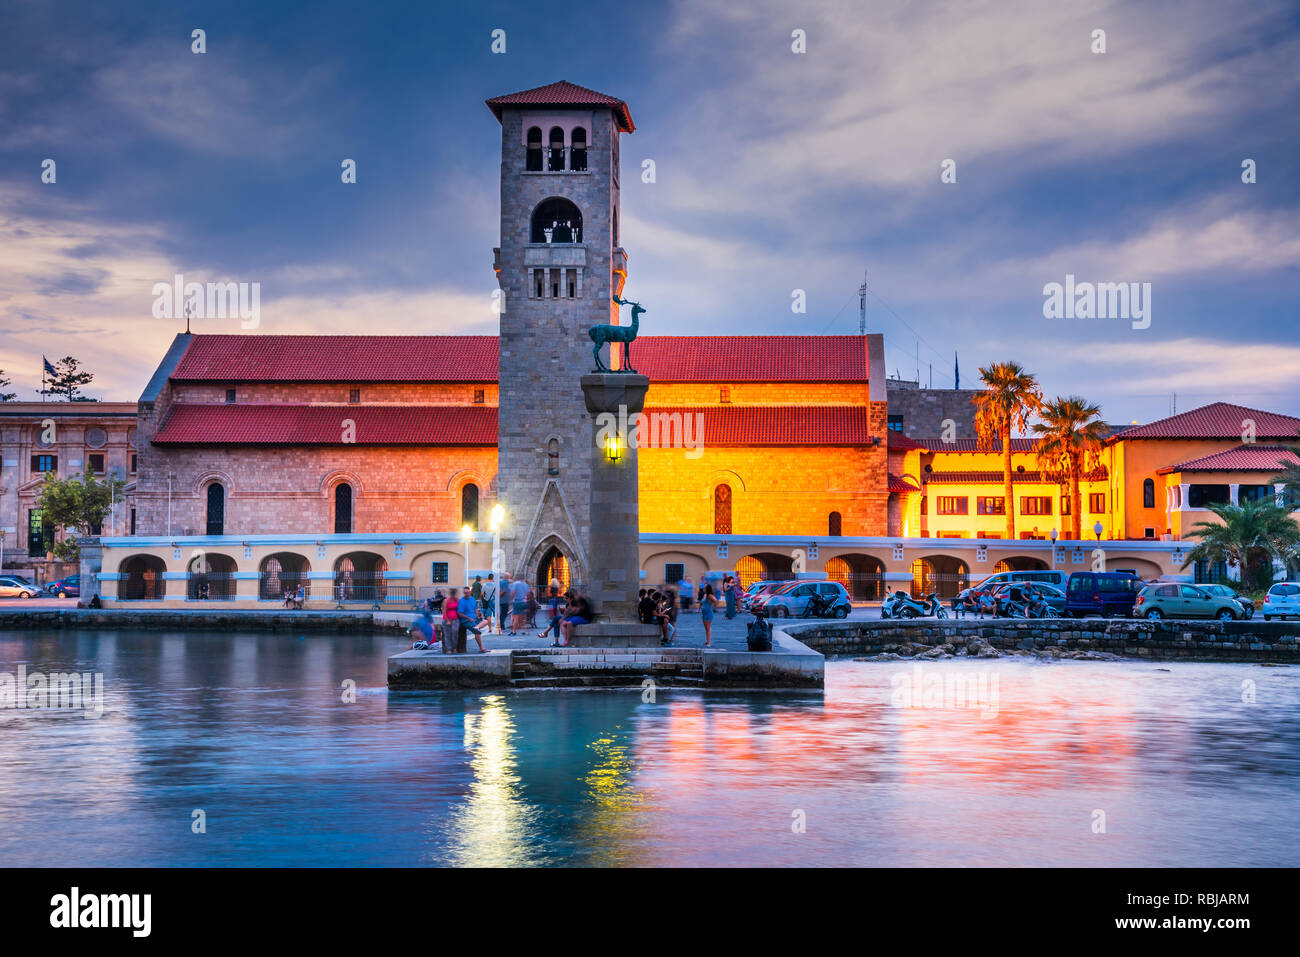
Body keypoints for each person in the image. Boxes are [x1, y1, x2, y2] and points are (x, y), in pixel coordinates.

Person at [457, 588, 486, 653]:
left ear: (470, 592)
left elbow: (475, 608)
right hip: (466, 621)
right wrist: (468, 618)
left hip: (475, 619)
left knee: (486, 621)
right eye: (465, 593)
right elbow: (460, 613)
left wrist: (478, 616)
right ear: (464, 593)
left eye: (468, 592)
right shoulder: (462, 601)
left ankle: (477, 627)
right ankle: (482, 648)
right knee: (477, 632)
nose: (467, 594)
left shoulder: (472, 599)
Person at [441, 587, 460, 653]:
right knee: (447, 634)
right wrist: (447, 620)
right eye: (452, 593)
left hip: (455, 619)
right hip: (447, 619)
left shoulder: (457, 600)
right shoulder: (446, 601)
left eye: (454, 593)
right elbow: (444, 611)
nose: (453, 595)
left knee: (455, 633)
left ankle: (454, 647)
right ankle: (449, 649)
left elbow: (459, 609)